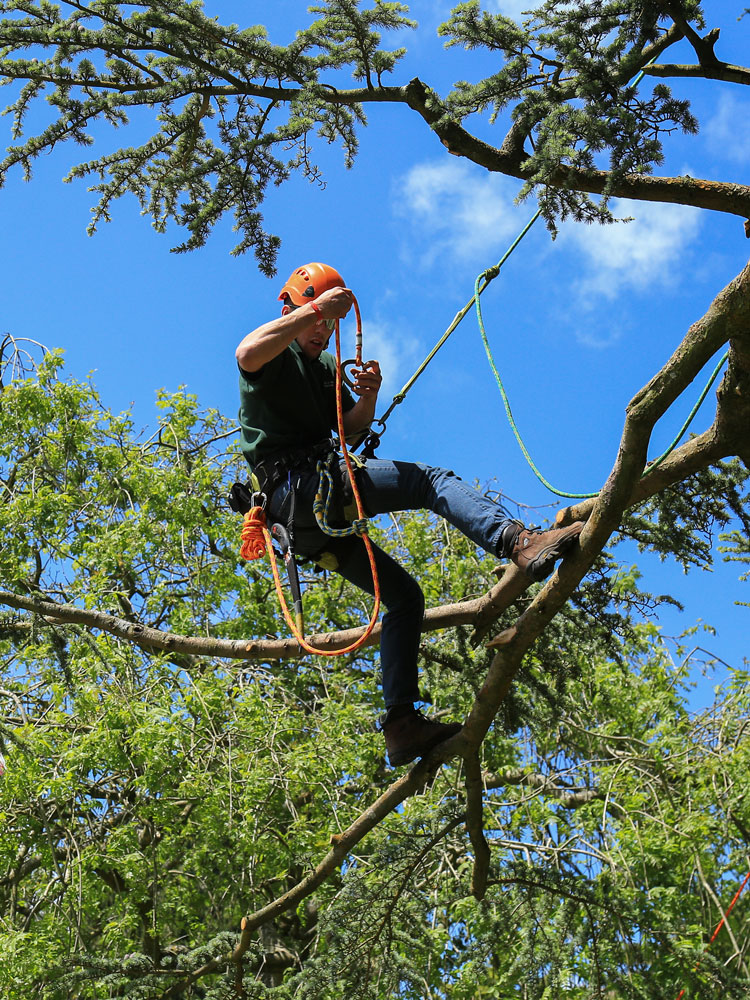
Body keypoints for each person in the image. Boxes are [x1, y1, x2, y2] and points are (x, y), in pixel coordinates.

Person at [235, 263, 584, 767]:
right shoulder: (275, 350)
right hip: (301, 492)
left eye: (329, 324)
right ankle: (518, 542)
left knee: (404, 597)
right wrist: (314, 310)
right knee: (430, 481)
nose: (322, 331)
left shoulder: (325, 369)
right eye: (315, 319)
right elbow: (247, 353)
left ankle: (399, 723)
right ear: (291, 305)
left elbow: (350, 430)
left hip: (311, 517)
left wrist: (370, 394)